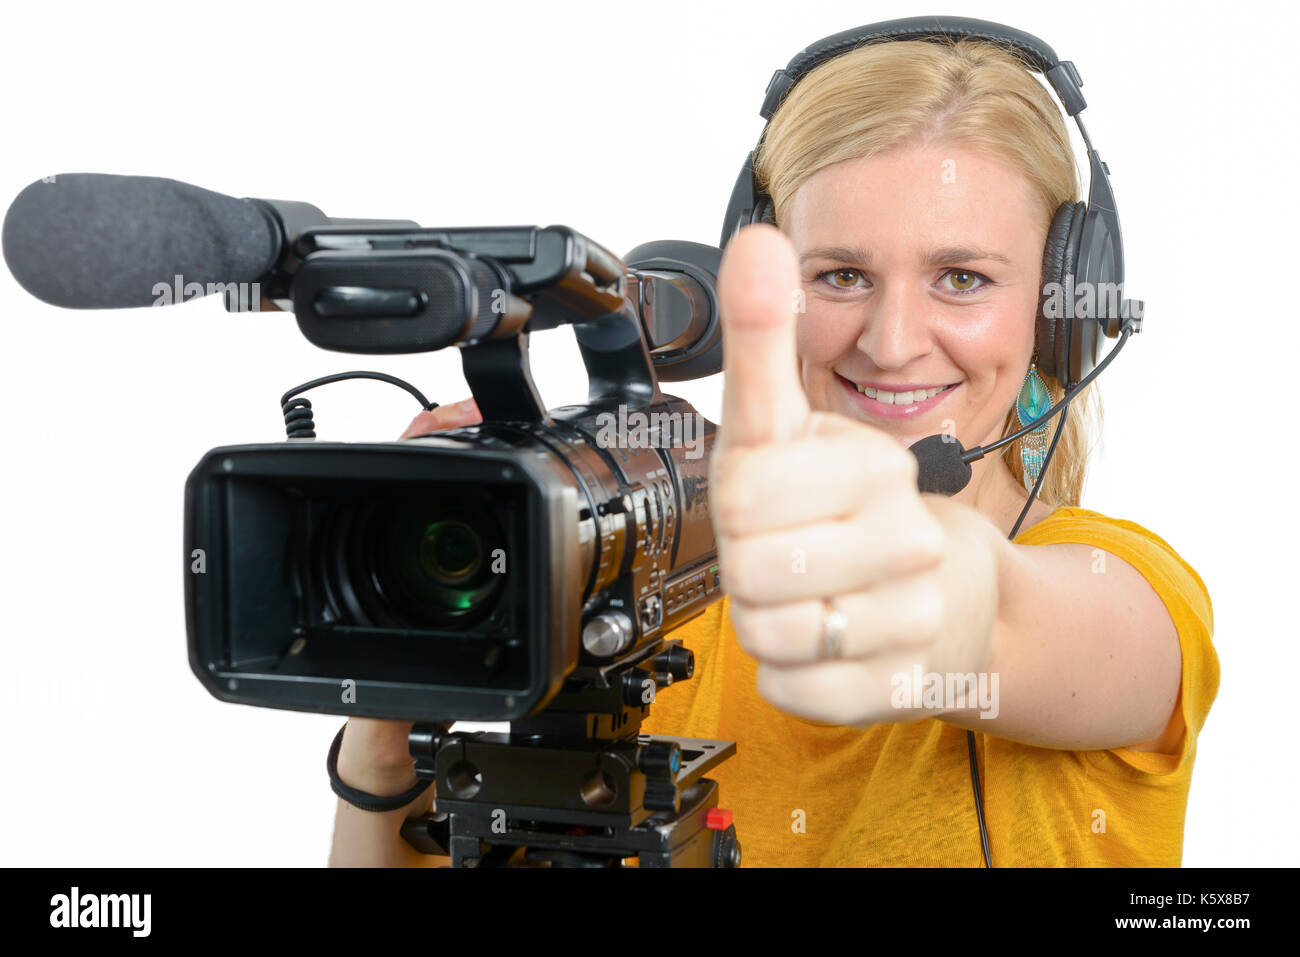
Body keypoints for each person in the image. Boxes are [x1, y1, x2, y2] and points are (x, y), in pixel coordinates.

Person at [327, 36, 1218, 868]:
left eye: (963, 277)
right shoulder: (630, 585)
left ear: (1057, 310)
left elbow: (997, 617)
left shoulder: (1125, 593)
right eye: (840, 276)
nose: (893, 340)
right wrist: (386, 713)